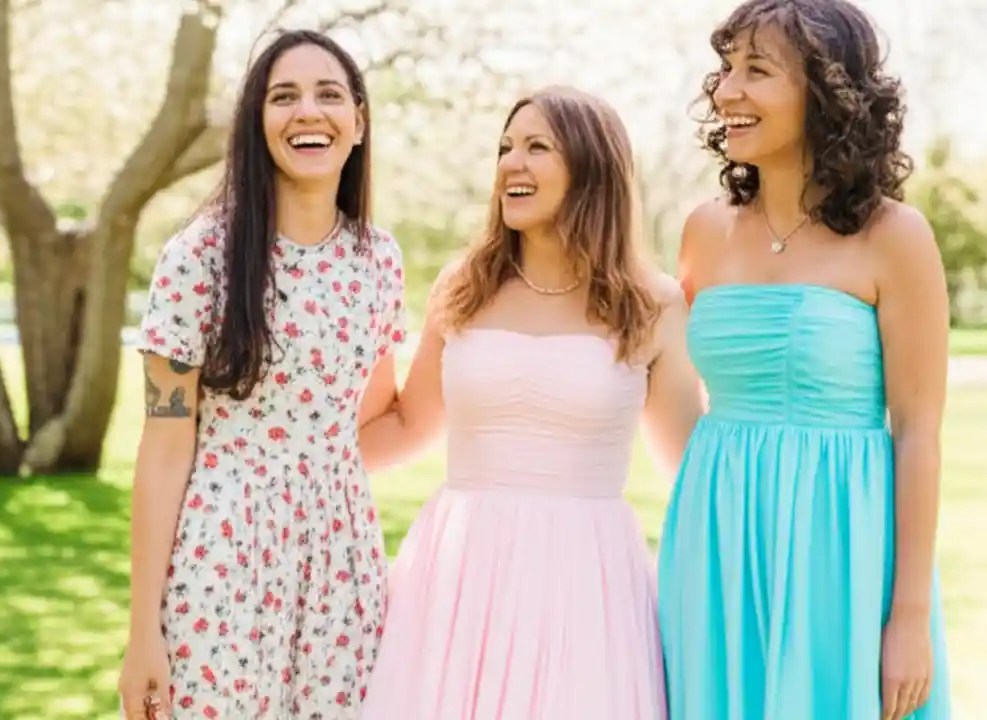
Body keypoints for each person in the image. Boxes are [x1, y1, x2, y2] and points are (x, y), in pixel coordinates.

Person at [357, 85, 703, 719]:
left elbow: (698, 468)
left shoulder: (652, 304)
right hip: (458, 575)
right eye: (505, 148)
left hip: (586, 578)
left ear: (592, 167)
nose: (511, 164)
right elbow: (407, 423)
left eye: (537, 147)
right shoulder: (463, 287)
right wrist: (285, 463)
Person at [657, 2, 952, 719]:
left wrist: (908, 616)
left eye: (757, 71)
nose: (727, 91)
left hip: (843, 542)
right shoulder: (704, 231)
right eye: (726, 69)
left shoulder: (895, 236)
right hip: (717, 540)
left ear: (828, 91)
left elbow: (918, 431)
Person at [116, 29, 406, 719]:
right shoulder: (198, 260)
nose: (308, 112)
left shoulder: (379, 262)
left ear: (359, 123)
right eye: (284, 97)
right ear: (257, 123)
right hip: (222, 557)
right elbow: (161, 451)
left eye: (329, 94)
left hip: (343, 562)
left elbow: (374, 414)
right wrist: (141, 633)